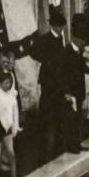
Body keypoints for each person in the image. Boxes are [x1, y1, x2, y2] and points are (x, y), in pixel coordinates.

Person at [28, 8, 76, 160]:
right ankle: (44, 147)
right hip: (49, 82)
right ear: (54, 26)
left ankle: (56, 145)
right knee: (47, 114)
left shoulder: (59, 39)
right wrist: (47, 61)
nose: (62, 29)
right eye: (60, 26)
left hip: (58, 82)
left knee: (58, 114)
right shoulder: (45, 39)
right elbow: (33, 52)